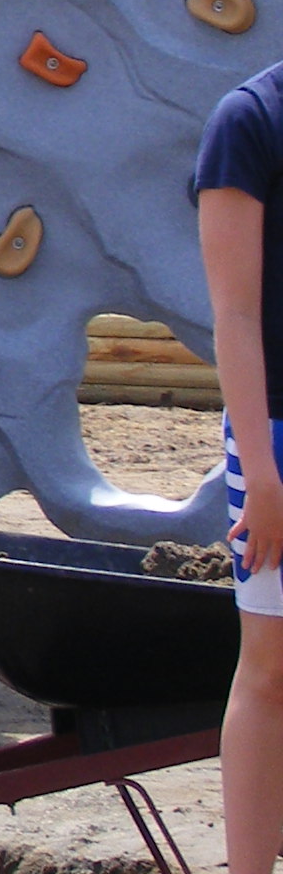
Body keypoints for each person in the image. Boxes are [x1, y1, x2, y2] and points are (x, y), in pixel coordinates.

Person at [196, 61, 283, 874]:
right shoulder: (248, 121)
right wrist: (260, 469)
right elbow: (236, 312)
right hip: (278, 437)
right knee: (271, 668)